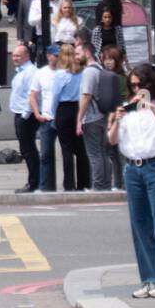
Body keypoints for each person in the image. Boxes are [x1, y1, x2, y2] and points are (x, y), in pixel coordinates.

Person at [110, 65, 155, 298]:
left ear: (151, 85)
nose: (137, 89)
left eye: (141, 84)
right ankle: (149, 278)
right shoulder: (127, 111)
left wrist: (151, 107)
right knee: (140, 226)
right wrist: (117, 119)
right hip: (133, 168)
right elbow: (111, 140)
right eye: (133, 85)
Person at [75, 28, 118, 192]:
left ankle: (98, 185)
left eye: (78, 53)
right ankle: (105, 184)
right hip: (102, 116)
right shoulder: (100, 69)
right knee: (102, 153)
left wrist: (79, 119)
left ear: (87, 53)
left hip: (92, 118)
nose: (76, 57)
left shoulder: (88, 72)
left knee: (94, 154)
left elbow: (86, 96)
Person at [50, 42, 90, 191]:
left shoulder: (60, 74)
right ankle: (84, 182)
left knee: (66, 149)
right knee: (80, 149)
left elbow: (55, 95)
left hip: (63, 109)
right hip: (78, 108)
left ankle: (69, 184)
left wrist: (53, 113)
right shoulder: (82, 72)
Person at [9, 42, 40, 194]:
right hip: (19, 113)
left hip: (26, 115)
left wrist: (25, 115)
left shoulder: (31, 72)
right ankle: (33, 181)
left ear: (26, 56)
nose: (14, 58)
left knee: (28, 150)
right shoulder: (21, 71)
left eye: (18, 56)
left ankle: (34, 182)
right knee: (25, 149)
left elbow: (32, 95)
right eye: (13, 55)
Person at [29, 43, 60, 191]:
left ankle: (70, 185)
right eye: (56, 56)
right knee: (45, 155)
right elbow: (33, 95)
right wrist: (37, 114)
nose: (59, 58)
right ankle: (46, 187)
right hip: (47, 119)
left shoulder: (65, 72)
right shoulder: (40, 73)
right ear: (48, 56)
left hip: (62, 118)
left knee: (69, 154)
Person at [98, 45, 128, 190]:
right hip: (108, 118)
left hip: (119, 117)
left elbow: (122, 99)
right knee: (112, 154)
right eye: (106, 59)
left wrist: (112, 118)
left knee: (120, 154)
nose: (108, 62)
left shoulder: (120, 78)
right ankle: (118, 183)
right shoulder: (104, 76)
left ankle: (123, 183)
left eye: (111, 59)